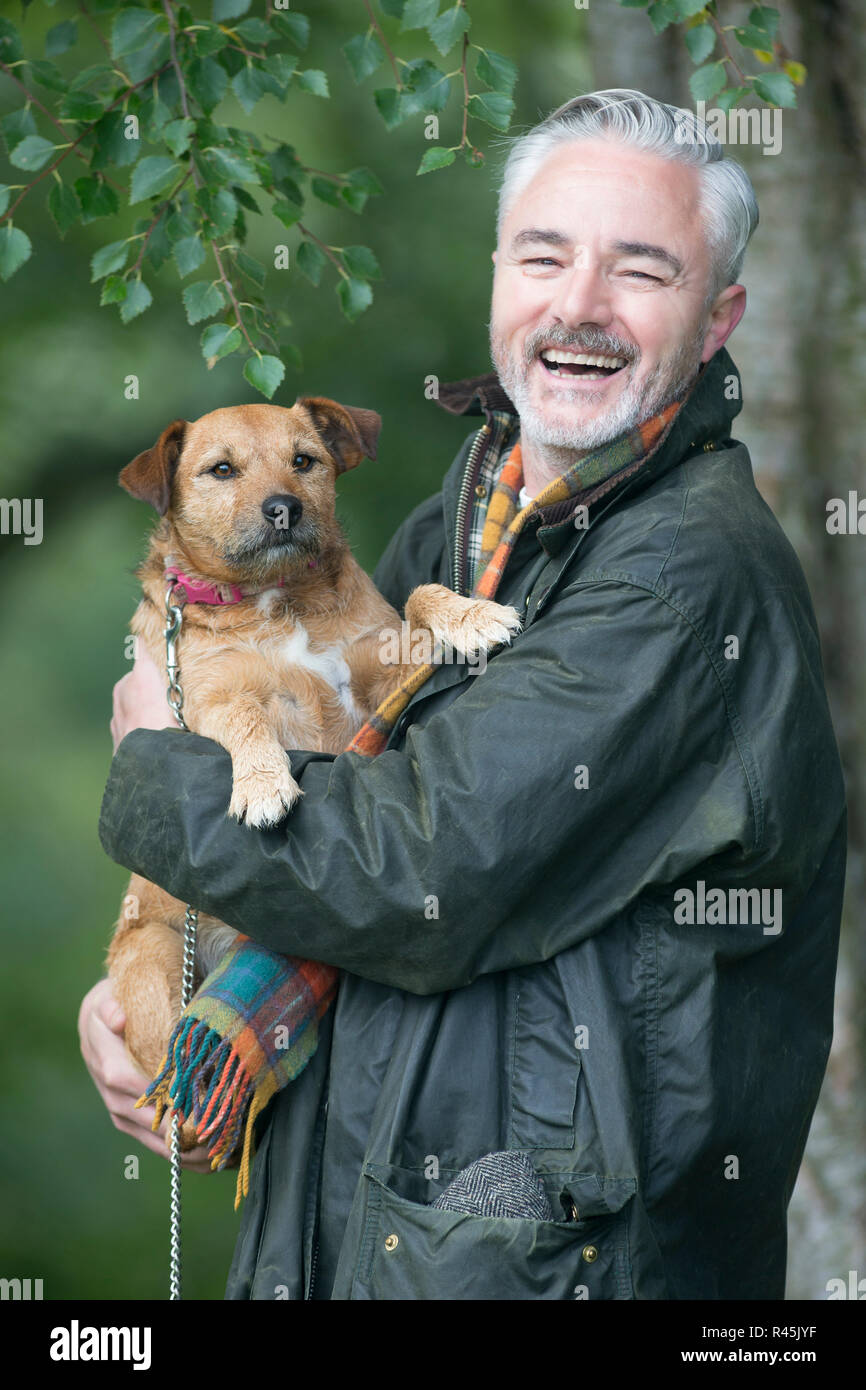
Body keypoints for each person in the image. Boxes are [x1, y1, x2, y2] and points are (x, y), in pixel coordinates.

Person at [82, 89, 846, 1300]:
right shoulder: (473, 520)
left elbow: (415, 865)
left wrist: (155, 764)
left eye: (638, 270)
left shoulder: (678, 577)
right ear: (499, 278)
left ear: (717, 320)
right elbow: (320, 791)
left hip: (542, 1267)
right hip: (387, 1244)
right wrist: (139, 994)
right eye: (543, 256)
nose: (577, 305)